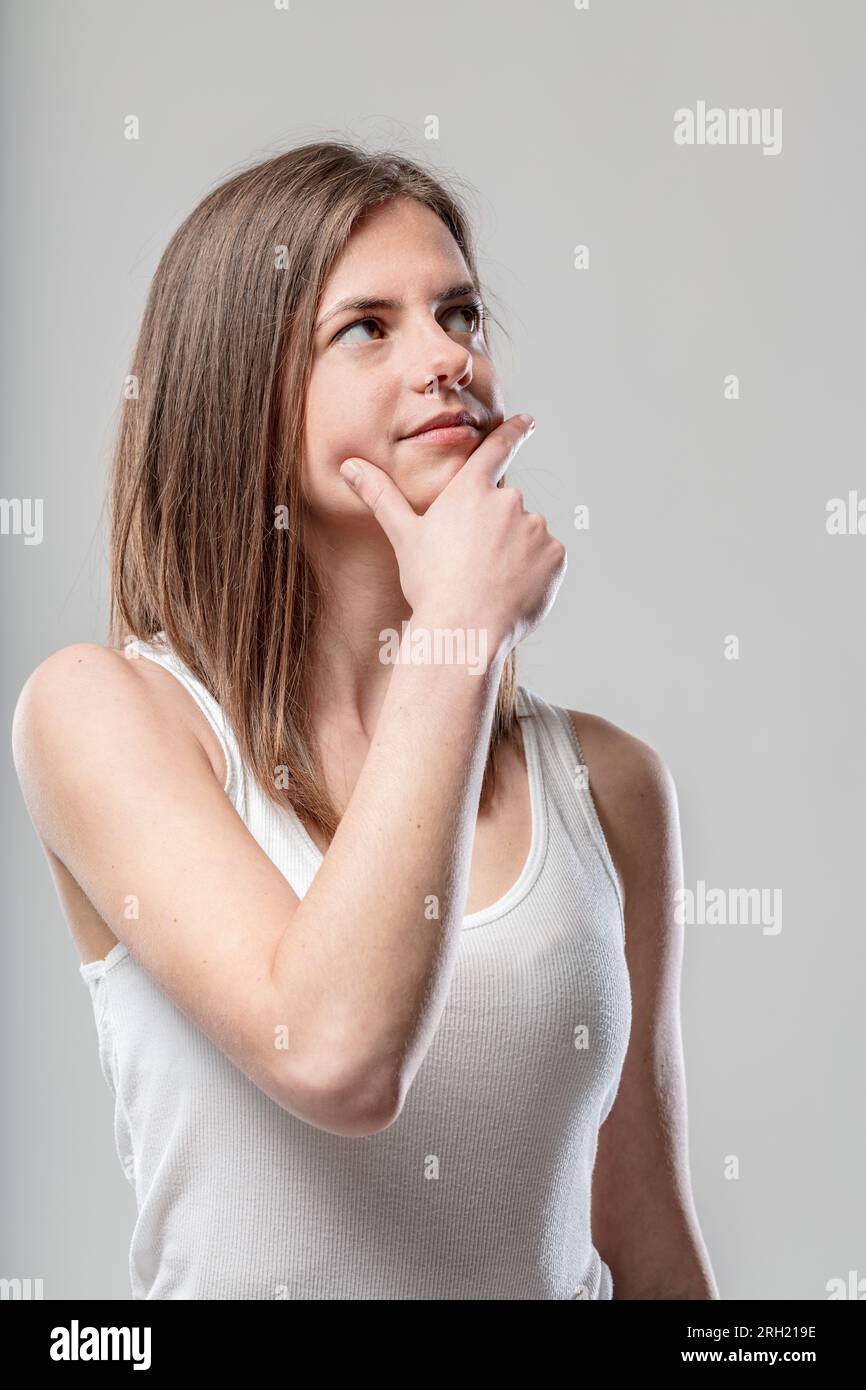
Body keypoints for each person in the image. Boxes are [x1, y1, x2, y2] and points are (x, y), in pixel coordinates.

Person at [12, 140, 718, 1300]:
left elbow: (642, 1231)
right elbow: (335, 1054)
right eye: (368, 327)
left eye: (458, 313)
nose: (448, 357)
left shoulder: (609, 785)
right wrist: (459, 630)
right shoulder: (103, 715)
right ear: (239, 392)